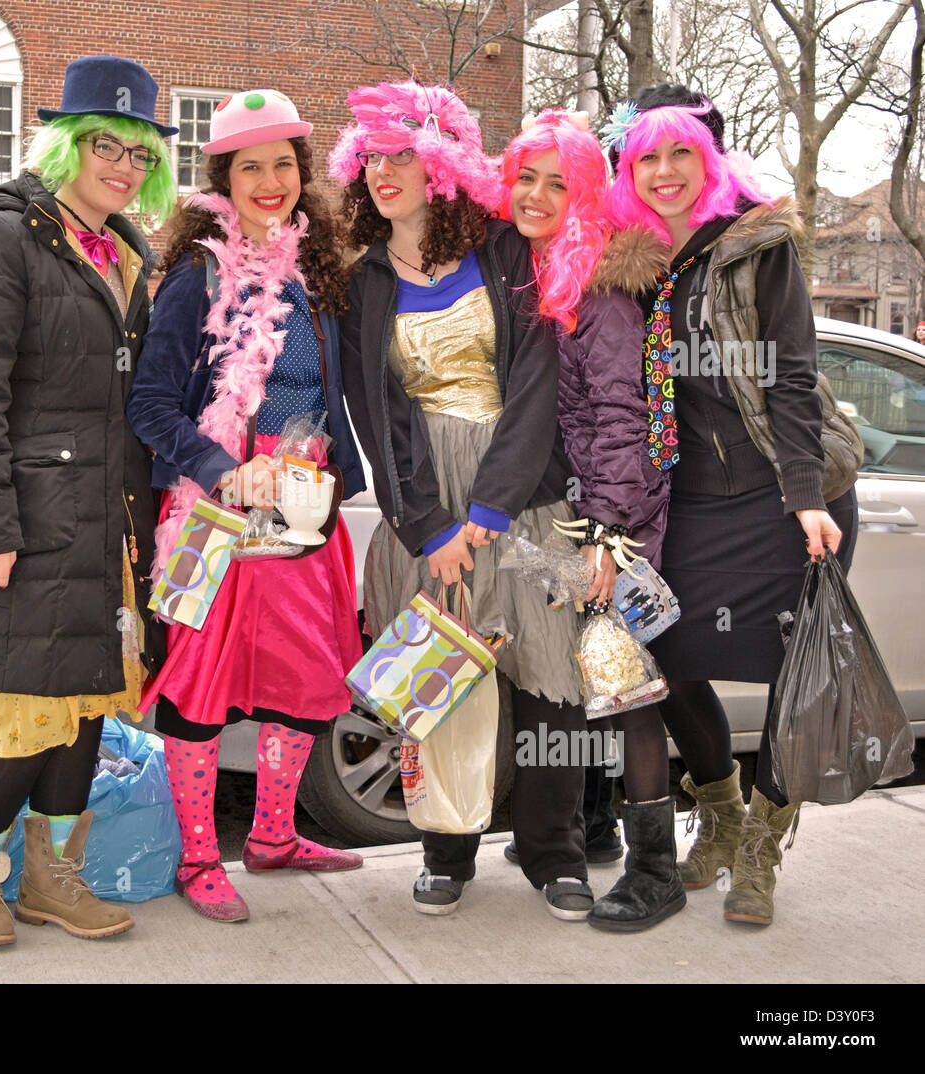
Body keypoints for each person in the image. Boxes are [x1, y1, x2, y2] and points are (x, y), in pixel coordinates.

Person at [332, 82, 594, 920]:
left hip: (526, 497)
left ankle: (556, 853)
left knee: (550, 678)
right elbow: (376, 416)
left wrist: (489, 511)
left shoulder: (504, 253)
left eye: (404, 154)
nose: (385, 172)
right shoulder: (362, 280)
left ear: (442, 165)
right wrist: (429, 527)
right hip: (428, 507)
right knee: (438, 678)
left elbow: (536, 386)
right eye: (372, 157)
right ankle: (447, 852)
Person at [604, 84, 861, 926]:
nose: (666, 171)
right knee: (666, 659)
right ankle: (715, 815)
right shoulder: (628, 261)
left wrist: (801, 496)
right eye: (649, 156)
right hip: (686, 501)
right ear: (627, 166)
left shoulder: (758, 243)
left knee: (795, 677)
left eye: (683, 153)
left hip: (783, 496)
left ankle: (760, 846)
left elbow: (789, 373)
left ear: (709, 160)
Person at [0, 56, 177, 947]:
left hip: (109, 525)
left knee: (85, 711)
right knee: (18, 716)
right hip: (31, 523)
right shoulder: (0, 237)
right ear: (65, 142)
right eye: (106, 145)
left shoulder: (123, 252)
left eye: (141, 153)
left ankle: (51, 879)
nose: (124, 166)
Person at [127, 89, 367, 924]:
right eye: (250, 166)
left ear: (304, 174)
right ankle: (198, 856)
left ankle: (272, 835)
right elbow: (149, 406)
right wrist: (225, 468)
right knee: (199, 682)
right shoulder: (196, 276)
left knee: (304, 675)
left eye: (283, 164)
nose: (270, 181)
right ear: (223, 179)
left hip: (305, 501)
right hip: (219, 504)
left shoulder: (319, 270)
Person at [496, 110, 683, 931]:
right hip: (573, 516)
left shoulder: (602, 284)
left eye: (558, 182)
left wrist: (609, 530)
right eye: (525, 178)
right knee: (586, 685)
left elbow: (621, 413)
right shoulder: (536, 268)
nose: (537, 195)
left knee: (625, 689)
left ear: (584, 194)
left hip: (612, 519)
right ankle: (596, 837)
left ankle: (656, 870)